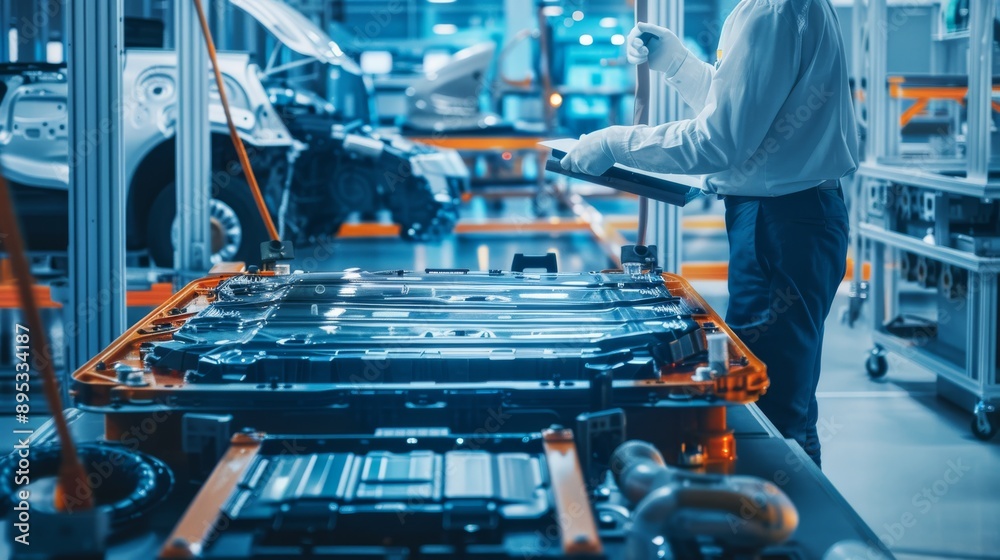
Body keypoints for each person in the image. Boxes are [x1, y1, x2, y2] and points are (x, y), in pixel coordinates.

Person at [561, 0, 858, 467]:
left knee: (770, 405)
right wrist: (677, 64)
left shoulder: (770, 11)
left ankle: (777, 508)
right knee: (788, 397)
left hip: (780, 224)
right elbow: (744, 113)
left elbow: (719, 141)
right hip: (791, 217)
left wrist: (613, 143)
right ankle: (790, 501)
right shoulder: (774, 9)